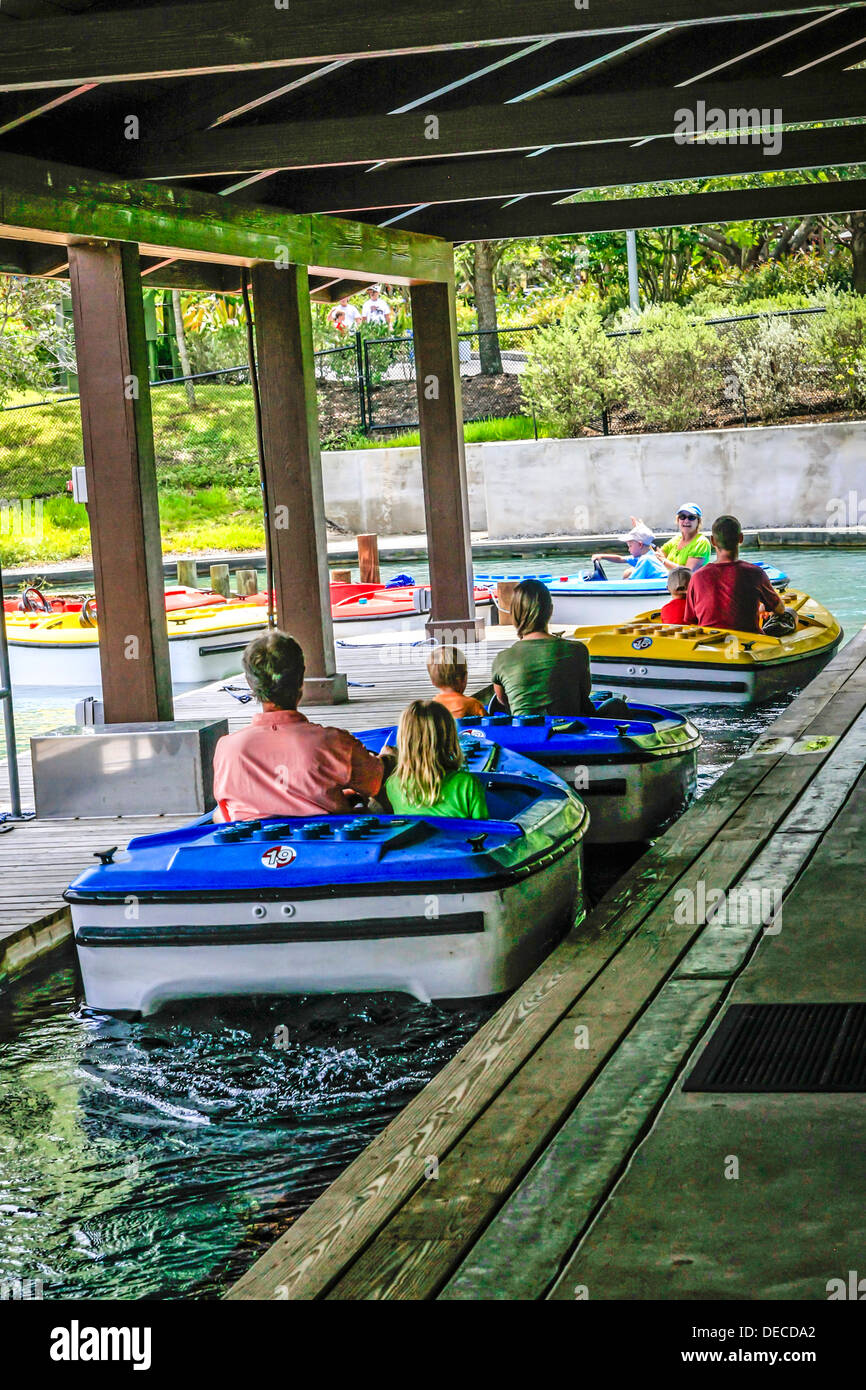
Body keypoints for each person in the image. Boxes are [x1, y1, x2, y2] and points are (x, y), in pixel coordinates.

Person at [212, 630, 386, 821]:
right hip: (328, 841)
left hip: (249, 842)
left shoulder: (228, 749)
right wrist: (386, 759)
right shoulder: (334, 743)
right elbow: (374, 784)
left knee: (219, 814)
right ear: (301, 678)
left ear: (250, 683)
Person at [492, 579, 598, 717]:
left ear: (513, 614)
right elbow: (584, 693)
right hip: (570, 728)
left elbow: (503, 701)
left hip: (525, 731)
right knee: (616, 705)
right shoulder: (577, 650)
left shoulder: (502, 659)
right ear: (550, 610)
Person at [683, 515, 787, 634]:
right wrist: (763, 607)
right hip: (750, 642)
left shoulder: (697, 577)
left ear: (712, 541)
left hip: (710, 642)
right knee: (790, 614)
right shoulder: (755, 573)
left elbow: (691, 620)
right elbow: (780, 609)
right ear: (741, 538)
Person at [386, 700, 488, 819]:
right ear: (450, 738)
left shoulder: (393, 784)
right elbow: (482, 833)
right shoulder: (467, 784)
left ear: (404, 741)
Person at [427, 645, 486, 719]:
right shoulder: (473, 706)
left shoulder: (430, 708)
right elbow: (489, 726)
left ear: (432, 681)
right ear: (464, 678)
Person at [592, 523, 668, 581]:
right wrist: (602, 556)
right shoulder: (646, 556)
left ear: (640, 544)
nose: (629, 550)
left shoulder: (646, 559)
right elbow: (620, 559)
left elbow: (632, 582)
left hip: (662, 586)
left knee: (627, 575)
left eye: (630, 546)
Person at [656, 504, 712, 573]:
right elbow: (658, 555)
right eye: (682, 517)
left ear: (698, 521)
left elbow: (687, 572)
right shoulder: (676, 539)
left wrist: (664, 561)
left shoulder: (701, 542)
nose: (686, 521)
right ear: (678, 520)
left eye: (691, 517)